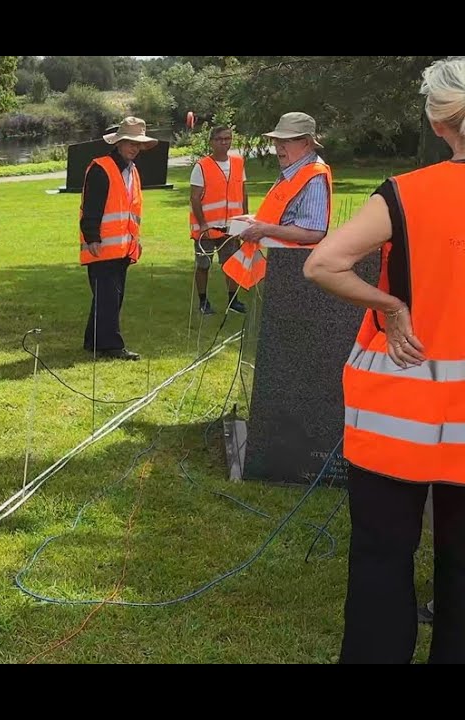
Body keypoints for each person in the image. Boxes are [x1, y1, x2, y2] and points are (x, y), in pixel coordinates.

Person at [303, 57, 465, 664]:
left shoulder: (406, 192)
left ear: (439, 121)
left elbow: (322, 263)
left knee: (380, 558)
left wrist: (392, 306)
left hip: (393, 412)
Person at [224, 112, 332, 289]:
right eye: (276, 140)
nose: (278, 146)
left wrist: (264, 229)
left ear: (306, 143)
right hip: (280, 266)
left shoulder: (313, 177)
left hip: (295, 271)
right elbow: (286, 216)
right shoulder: (294, 169)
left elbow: (314, 232)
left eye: (285, 140)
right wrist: (255, 221)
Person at [79, 117, 156, 361]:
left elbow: (131, 212)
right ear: (119, 142)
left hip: (123, 247)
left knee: (108, 297)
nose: (134, 147)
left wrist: (135, 240)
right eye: (130, 142)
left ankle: (93, 342)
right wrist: (92, 237)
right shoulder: (102, 168)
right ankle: (112, 346)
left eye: (138, 144)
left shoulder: (131, 170)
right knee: (109, 299)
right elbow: (91, 206)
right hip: (102, 247)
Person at [189, 125, 249, 315]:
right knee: (203, 265)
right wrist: (203, 224)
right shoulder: (201, 166)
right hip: (207, 228)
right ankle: (203, 301)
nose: (224, 142)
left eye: (228, 138)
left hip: (231, 227)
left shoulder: (239, 163)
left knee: (231, 265)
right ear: (211, 142)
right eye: (220, 139)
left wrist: (245, 219)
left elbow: (243, 193)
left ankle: (233, 300)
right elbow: (195, 198)